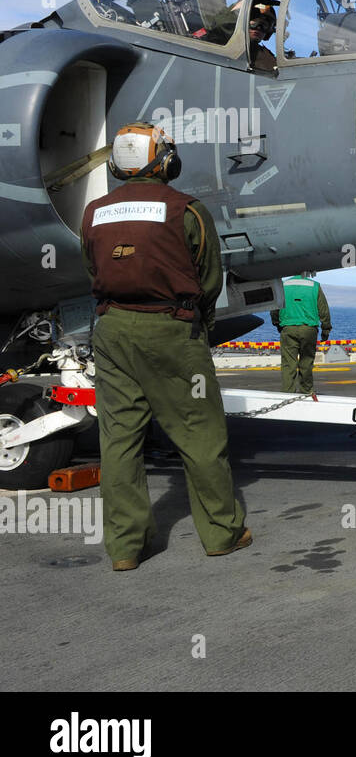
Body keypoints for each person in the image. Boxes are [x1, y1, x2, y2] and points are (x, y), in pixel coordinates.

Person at [80, 122, 250, 570]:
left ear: (118, 164)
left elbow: (92, 267)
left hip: (112, 331)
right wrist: (198, 324)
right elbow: (209, 279)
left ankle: (125, 549)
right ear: (166, 162)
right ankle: (221, 534)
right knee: (201, 436)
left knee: (118, 441)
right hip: (172, 331)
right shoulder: (187, 210)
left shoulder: (94, 211)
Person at [271, 272, 331, 393]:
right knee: (306, 362)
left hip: (288, 328)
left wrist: (277, 324)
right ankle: (306, 391)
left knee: (288, 364)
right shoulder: (315, 286)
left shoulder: (283, 285)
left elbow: (274, 309)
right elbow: (324, 310)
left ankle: (288, 392)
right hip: (309, 329)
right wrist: (326, 330)